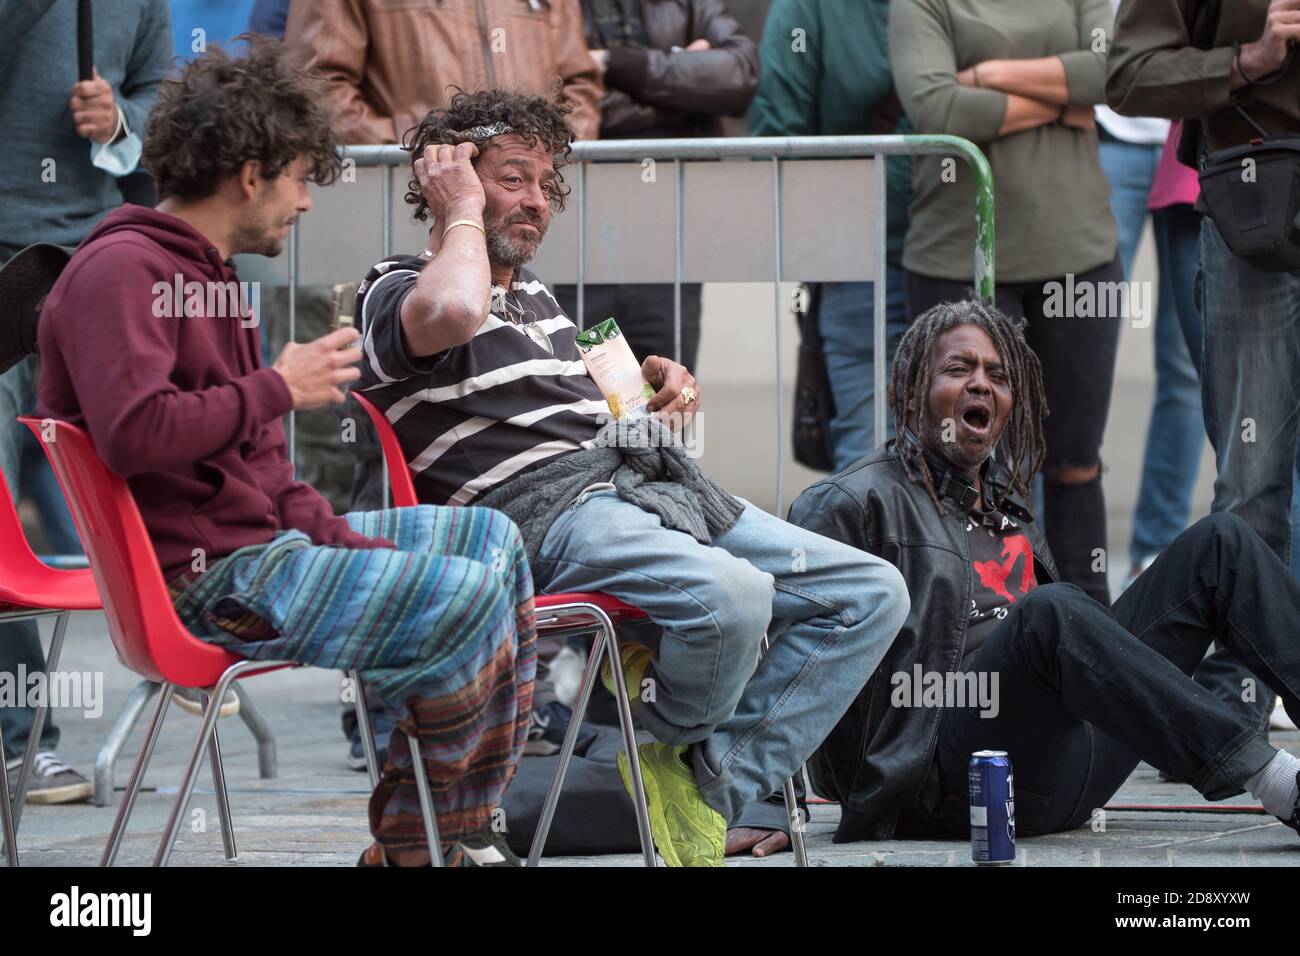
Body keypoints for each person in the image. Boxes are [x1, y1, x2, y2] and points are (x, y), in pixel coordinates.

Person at [352, 87, 911, 866]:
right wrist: (461, 215)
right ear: (453, 178)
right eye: (512, 178)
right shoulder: (397, 285)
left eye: (546, 185)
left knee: (872, 594)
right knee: (733, 600)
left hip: (641, 490)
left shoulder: (541, 300)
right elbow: (448, 313)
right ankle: (672, 752)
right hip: (544, 518)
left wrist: (654, 394)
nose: (536, 201)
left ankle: (696, 776)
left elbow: (596, 421)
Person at [30, 40, 538, 868]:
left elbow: (266, 476)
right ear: (250, 173)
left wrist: (352, 545)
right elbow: (133, 433)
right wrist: (276, 386)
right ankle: (430, 843)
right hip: (209, 582)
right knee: (467, 599)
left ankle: (449, 830)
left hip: (264, 552)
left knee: (489, 541)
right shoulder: (120, 273)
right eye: (300, 176)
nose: (305, 202)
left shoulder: (213, 277)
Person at [788, 298, 1300, 843]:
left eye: (998, 375)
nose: (982, 384)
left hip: (1061, 761)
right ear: (913, 390)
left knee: (1221, 544)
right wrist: (767, 803)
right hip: (945, 783)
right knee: (1051, 612)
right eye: (959, 369)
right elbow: (790, 657)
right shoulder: (852, 503)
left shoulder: (1004, 499)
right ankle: (1277, 780)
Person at [1109, 0, 1300, 739]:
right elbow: (1126, 76)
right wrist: (1243, 64)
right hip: (1258, 209)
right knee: (1253, 480)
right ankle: (1241, 694)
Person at [890, 0, 1121, 605]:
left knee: (1075, 462)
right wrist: (1061, 101)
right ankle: (962, 630)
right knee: (953, 463)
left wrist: (989, 75)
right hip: (955, 258)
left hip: (1079, 253)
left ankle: (1093, 649)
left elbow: (1113, 70)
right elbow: (936, 108)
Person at [0, 0, 172, 805]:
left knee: (141, 457)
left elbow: (164, 98)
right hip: (3, 251)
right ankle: (22, 739)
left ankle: (207, 630)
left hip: (93, 251)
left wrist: (120, 119)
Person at [552, 0, 759, 370]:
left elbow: (738, 76)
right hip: (581, 217)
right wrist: (681, 80)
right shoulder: (544, 7)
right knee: (584, 380)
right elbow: (549, 93)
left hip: (670, 223)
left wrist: (609, 64)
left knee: (668, 385)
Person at [750, 0, 913, 471]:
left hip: (988, 257)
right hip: (867, 264)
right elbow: (776, 139)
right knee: (872, 463)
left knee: (995, 464)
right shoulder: (808, 9)